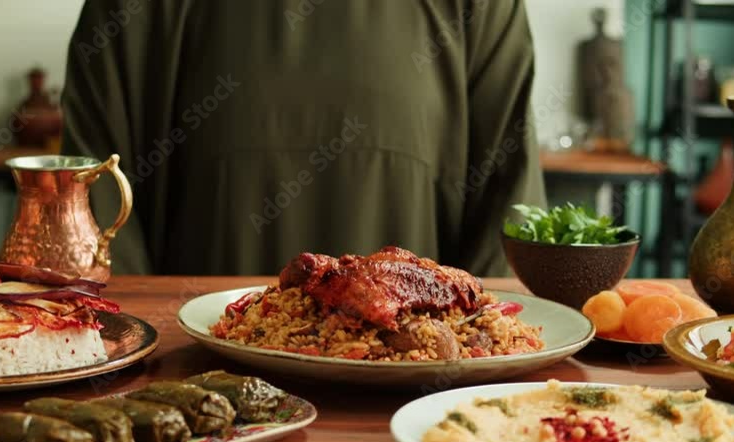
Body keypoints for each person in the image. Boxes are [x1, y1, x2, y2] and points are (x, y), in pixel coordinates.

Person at [62, 0, 546, 276]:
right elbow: (91, 200)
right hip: (197, 390)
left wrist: (478, 372)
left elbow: (509, 208)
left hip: (423, 393)